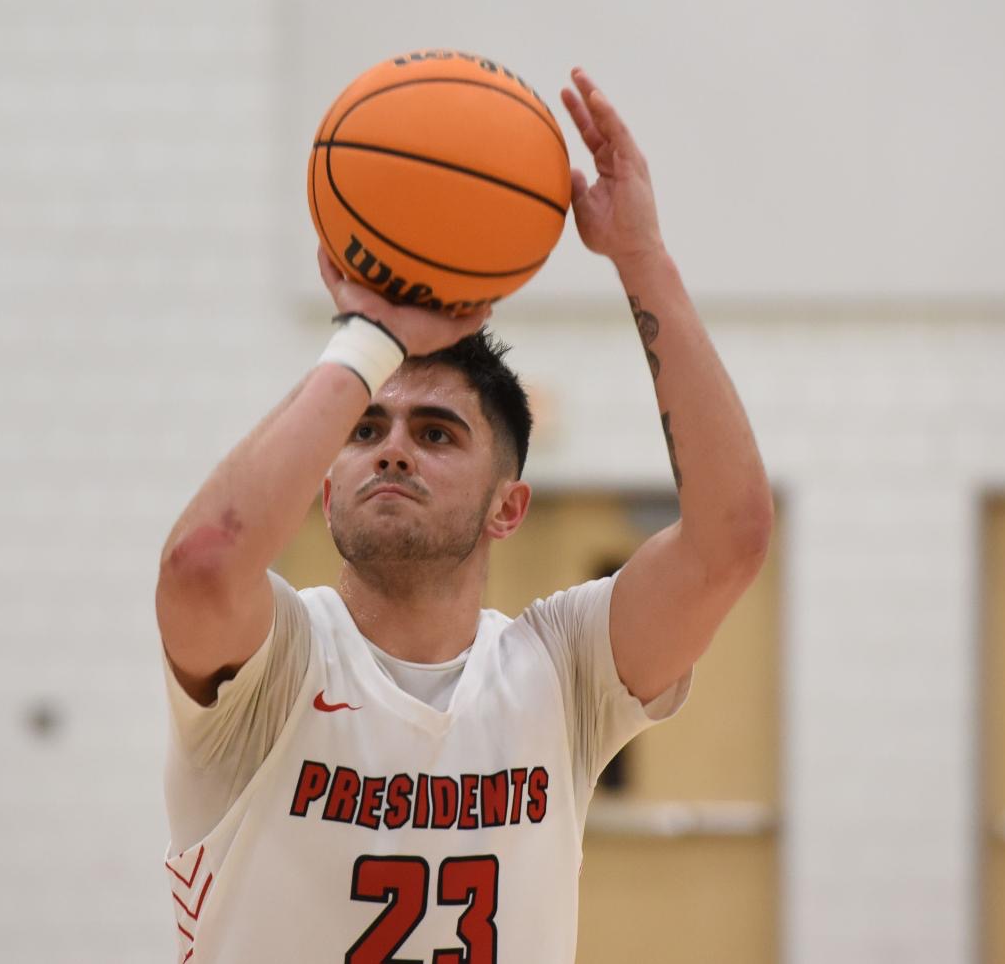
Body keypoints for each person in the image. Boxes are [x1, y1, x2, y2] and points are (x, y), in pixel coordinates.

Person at [156, 68, 774, 962]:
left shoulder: (559, 672)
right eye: (366, 427)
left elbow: (731, 541)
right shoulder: (277, 666)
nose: (393, 447)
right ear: (324, 490)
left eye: (437, 432)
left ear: (507, 507)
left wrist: (643, 259)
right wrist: (366, 339)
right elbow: (203, 564)